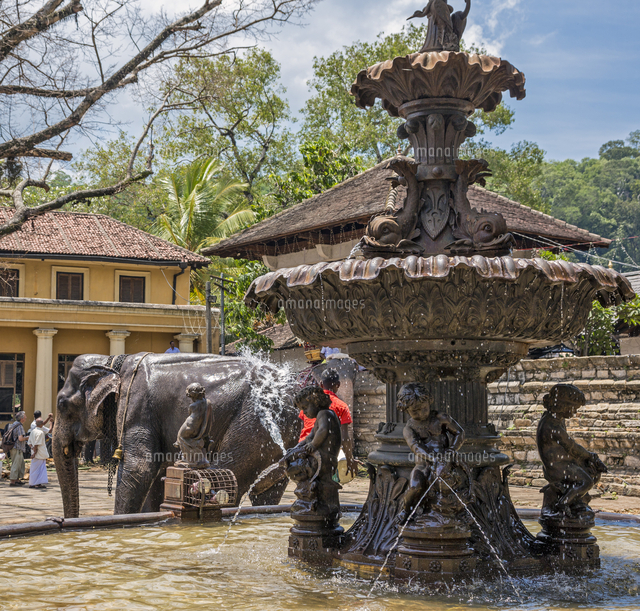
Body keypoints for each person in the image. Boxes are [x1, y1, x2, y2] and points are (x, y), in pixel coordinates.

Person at [397, 383, 465, 521]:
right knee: (415, 487)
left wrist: (452, 450)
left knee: (454, 482)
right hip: (423, 465)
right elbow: (415, 446)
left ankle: (458, 511)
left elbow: (459, 432)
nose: (421, 414)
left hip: (446, 461)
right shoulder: (409, 428)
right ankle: (406, 509)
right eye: (415, 411)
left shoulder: (440, 418)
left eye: (424, 409)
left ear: (430, 402)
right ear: (405, 409)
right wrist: (432, 457)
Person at [298, 368, 358, 478]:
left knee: (305, 487)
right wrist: (350, 459)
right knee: (326, 486)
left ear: (321, 384)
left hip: (303, 450)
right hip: (324, 452)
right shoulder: (341, 406)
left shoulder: (309, 404)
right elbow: (344, 437)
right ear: (338, 385)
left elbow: (304, 429)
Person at [9, 411, 29, 486]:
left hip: (14, 447)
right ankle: (13, 481)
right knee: (16, 464)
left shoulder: (14, 424)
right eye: (25, 416)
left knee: (19, 464)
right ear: (22, 418)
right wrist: (27, 438)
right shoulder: (19, 426)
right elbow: (20, 438)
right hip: (17, 448)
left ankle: (17, 480)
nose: (26, 418)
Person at [28, 418, 49, 489]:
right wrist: (34, 452)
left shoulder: (33, 431)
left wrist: (32, 450)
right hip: (39, 454)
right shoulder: (40, 432)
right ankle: (36, 483)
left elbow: (29, 443)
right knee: (39, 469)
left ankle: (33, 483)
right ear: (42, 424)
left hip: (35, 453)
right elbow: (37, 443)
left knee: (34, 469)